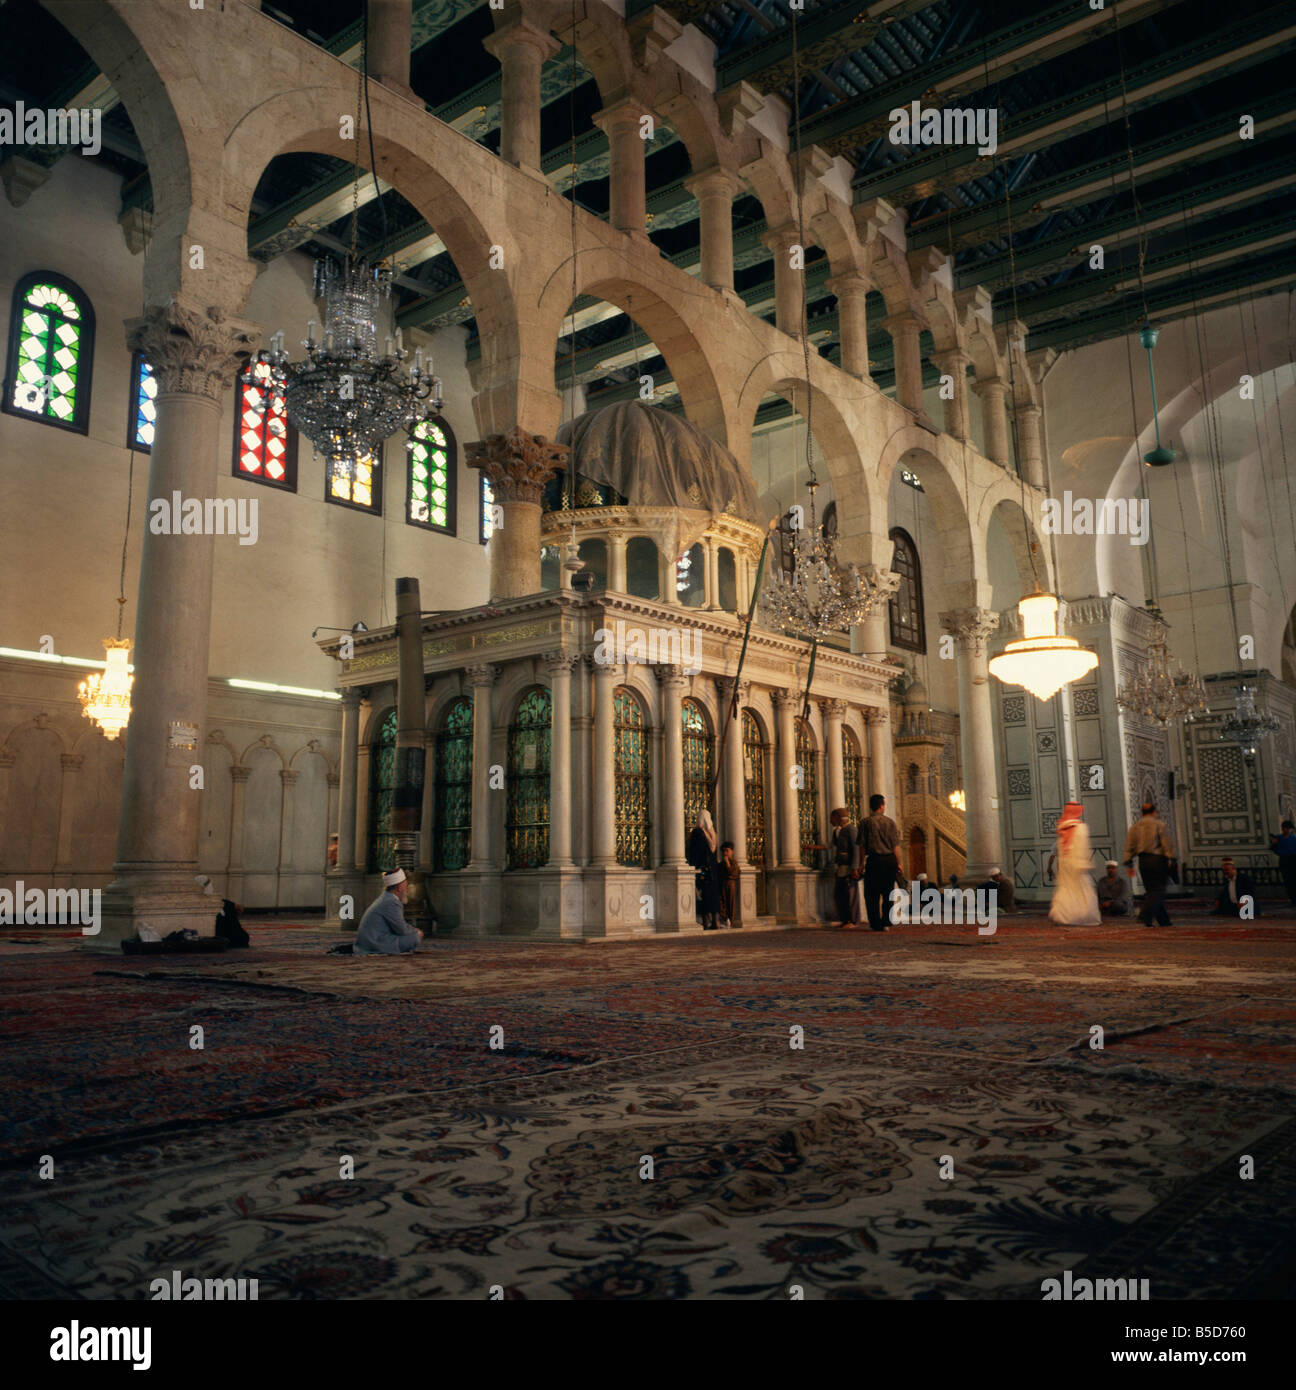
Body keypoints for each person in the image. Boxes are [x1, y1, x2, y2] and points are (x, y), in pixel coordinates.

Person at [1123, 800, 1175, 927]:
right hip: (1157, 860)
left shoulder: (1135, 827)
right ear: (1154, 812)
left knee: (1152, 891)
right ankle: (1145, 914)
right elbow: (1166, 844)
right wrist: (1171, 859)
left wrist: (1129, 862)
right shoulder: (1159, 825)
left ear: (1142, 813)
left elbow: (1129, 847)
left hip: (1143, 861)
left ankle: (1163, 920)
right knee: (1158, 890)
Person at [1049, 802, 1101, 925]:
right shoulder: (1080, 827)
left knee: (1067, 889)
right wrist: (1085, 863)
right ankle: (1082, 916)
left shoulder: (1062, 827)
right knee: (1081, 891)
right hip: (1077, 864)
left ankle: (1062, 915)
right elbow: (1082, 847)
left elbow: (1060, 850)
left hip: (1065, 865)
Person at [859, 793, 903, 932]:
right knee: (888, 892)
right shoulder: (890, 822)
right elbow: (895, 846)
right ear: (882, 805)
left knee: (872, 894)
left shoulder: (865, 822)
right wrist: (899, 863)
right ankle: (886, 922)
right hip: (889, 860)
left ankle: (875, 923)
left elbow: (862, 846)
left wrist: (861, 864)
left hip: (874, 860)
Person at [354, 868, 423, 954]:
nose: (407, 890)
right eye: (405, 887)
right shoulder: (391, 902)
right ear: (399, 887)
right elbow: (401, 930)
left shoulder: (387, 898)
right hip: (375, 943)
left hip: (370, 941)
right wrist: (416, 931)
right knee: (416, 937)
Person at [688, 809, 724, 930]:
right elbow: (713, 848)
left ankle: (707, 921)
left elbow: (699, 851)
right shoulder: (712, 832)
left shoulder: (699, 833)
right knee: (711, 895)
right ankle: (714, 921)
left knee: (705, 895)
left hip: (703, 870)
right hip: (712, 870)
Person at [830, 808, 859, 928]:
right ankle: (845, 919)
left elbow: (856, 849)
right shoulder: (839, 831)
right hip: (841, 868)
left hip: (849, 868)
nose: (831, 821)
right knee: (840, 894)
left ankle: (852, 921)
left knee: (850, 895)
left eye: (832, 818)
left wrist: (855, 868)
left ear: (838, 818)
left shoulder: (851, 830)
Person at [1270, 821, 1296, 904]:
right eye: (1285, 828)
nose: (1287, 830)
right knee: (1287, 881)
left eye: (1288, 828)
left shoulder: (1293, 838)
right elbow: (1273, 849)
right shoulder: (1279, 838)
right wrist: (1274, 844)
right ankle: (1292, 898)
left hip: (1293, 860)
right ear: (1282, 828)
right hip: (1284, 860)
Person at [719, 840, 741, 928]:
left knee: (730, 903)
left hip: (730, 884)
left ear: (732, 851)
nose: (725, 853)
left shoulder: (733, 862)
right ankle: (724, 919)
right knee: (722, 902)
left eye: (727, 851)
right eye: (723, 851)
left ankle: (731, 921)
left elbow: (733, 873)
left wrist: (728, 863)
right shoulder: (721, 863)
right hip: (723, 883)